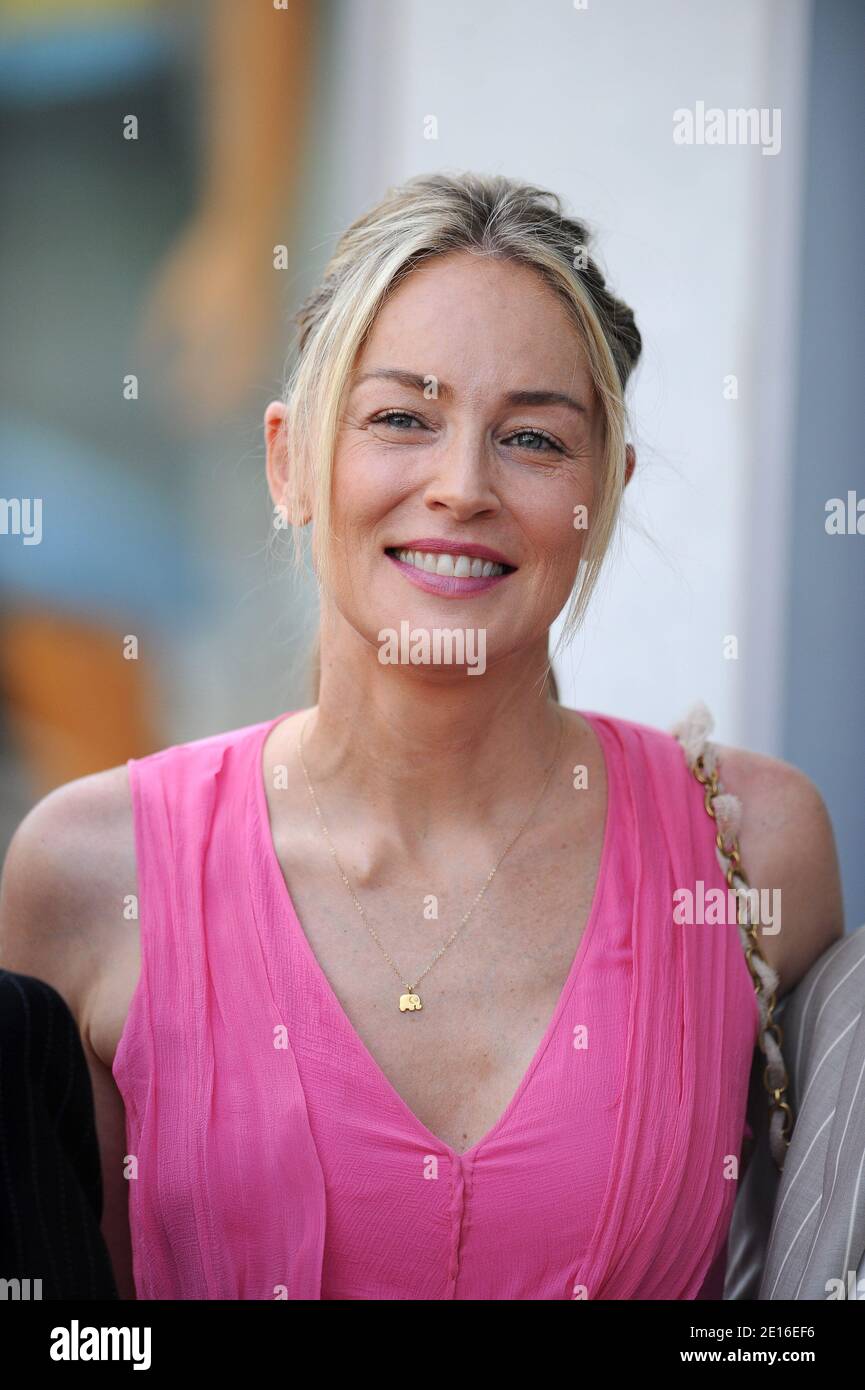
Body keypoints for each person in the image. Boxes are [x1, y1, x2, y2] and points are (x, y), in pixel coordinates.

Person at [0, 172, 844, 1301]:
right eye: (402, 417)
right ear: (289, 461)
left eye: (533, 439)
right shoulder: (89, 872)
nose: (461, 487)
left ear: (605, 489)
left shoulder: (753, 846)